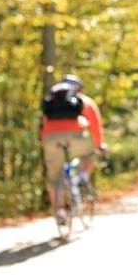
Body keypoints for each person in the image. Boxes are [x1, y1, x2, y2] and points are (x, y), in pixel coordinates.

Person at [41, 74, 107, 221]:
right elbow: (95, 126)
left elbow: (45, 124)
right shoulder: (84, 101)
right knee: (90, 153)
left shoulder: (52, 100)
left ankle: (59, 211)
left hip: (51, 139)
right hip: (76, 136)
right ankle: (83, 176)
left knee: (54, 177)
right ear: (79, 88)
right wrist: (100, 145)